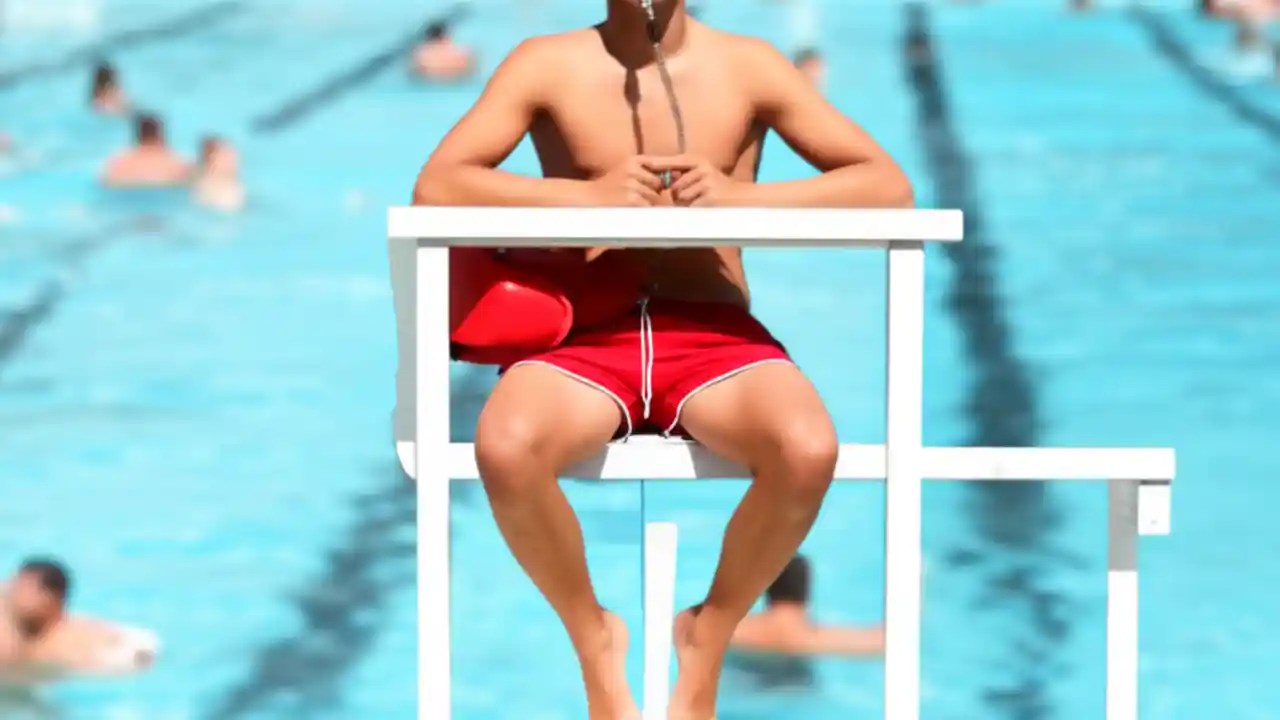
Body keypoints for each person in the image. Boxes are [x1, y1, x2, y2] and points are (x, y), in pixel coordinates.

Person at [413, 1, 912, 717]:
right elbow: (439, 184)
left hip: (711, 333)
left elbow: (887, 185)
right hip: (588, 336)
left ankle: (708, 633)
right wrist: (585, 197)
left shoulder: (748, 66)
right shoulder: (546, 64)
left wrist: (739, 199)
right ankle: (594, 637)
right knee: (505, 445)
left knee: (806, 448)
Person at [1, 559, 158, 685]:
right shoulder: (8, 612)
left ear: (52, 599)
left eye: (24, 590)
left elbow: (138, 657)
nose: (14, 594)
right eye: (15, 586)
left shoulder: (74, 640)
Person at [730, 555, 883, 657]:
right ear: (806, 590)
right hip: (803, 683)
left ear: (766, 588)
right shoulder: (818, 638)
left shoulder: (735, 631)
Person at [101, 113, 193, 188]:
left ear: (137, 137)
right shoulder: (178, 163)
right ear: (160, 136)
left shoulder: (117, 163)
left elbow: (106, 183)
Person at [192, 136, 246, 213]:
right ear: (212, 161)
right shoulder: (216, 191)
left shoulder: (230, 184)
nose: (234, 159)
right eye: (226, 155)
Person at [411, 21, 476, 82]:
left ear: (428, 38)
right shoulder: (463, 53)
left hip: (430, 79)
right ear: (446, 37)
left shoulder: (421, 55)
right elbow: (470, 71)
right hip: (457, 79)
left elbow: (415, 73)